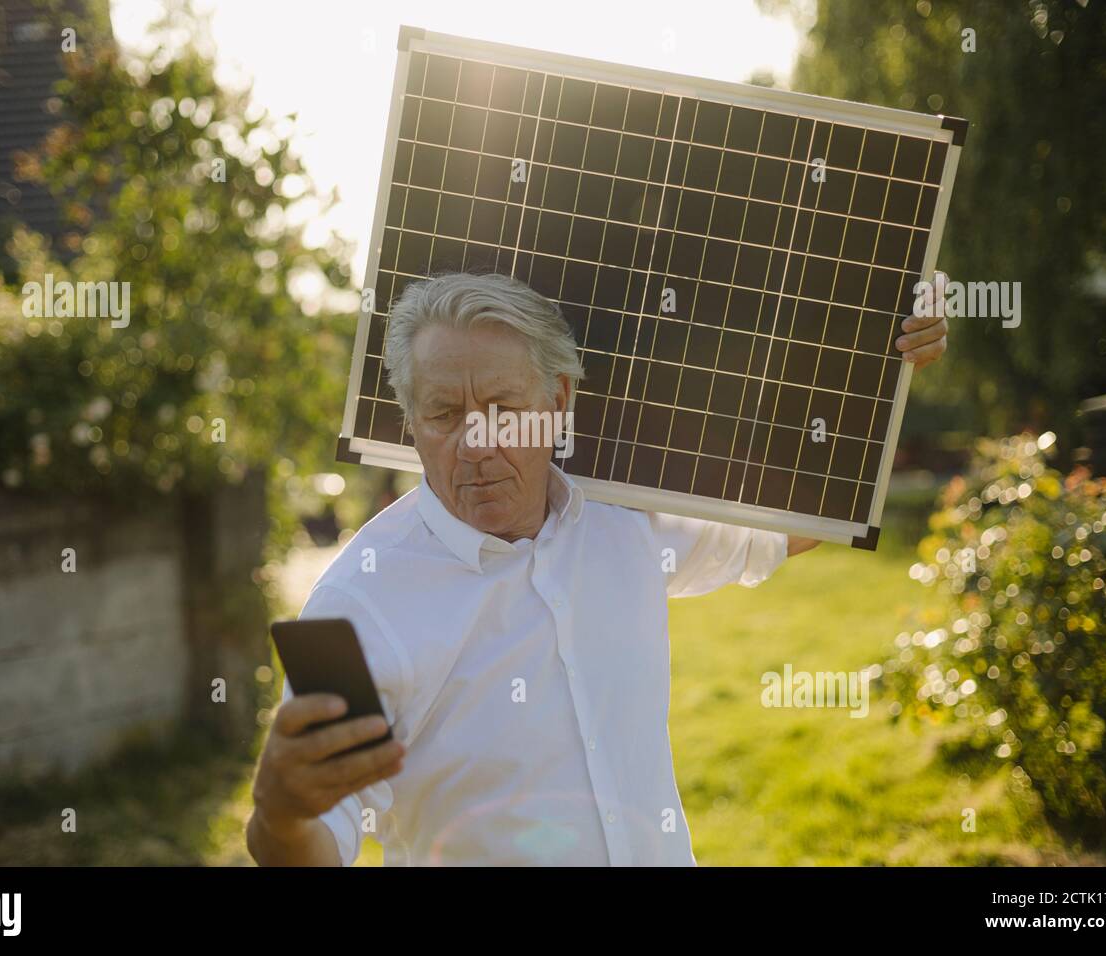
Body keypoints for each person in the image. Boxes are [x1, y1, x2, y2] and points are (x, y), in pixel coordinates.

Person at [248, 271, 948, 865]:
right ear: (408, 420)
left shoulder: (625, 522)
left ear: (558, 400)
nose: (474, 444)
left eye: (503, 409)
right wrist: (279, 812)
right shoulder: (353, 604)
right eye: (442, 414)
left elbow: (796, 529)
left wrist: (888, 376)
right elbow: (312, 843)